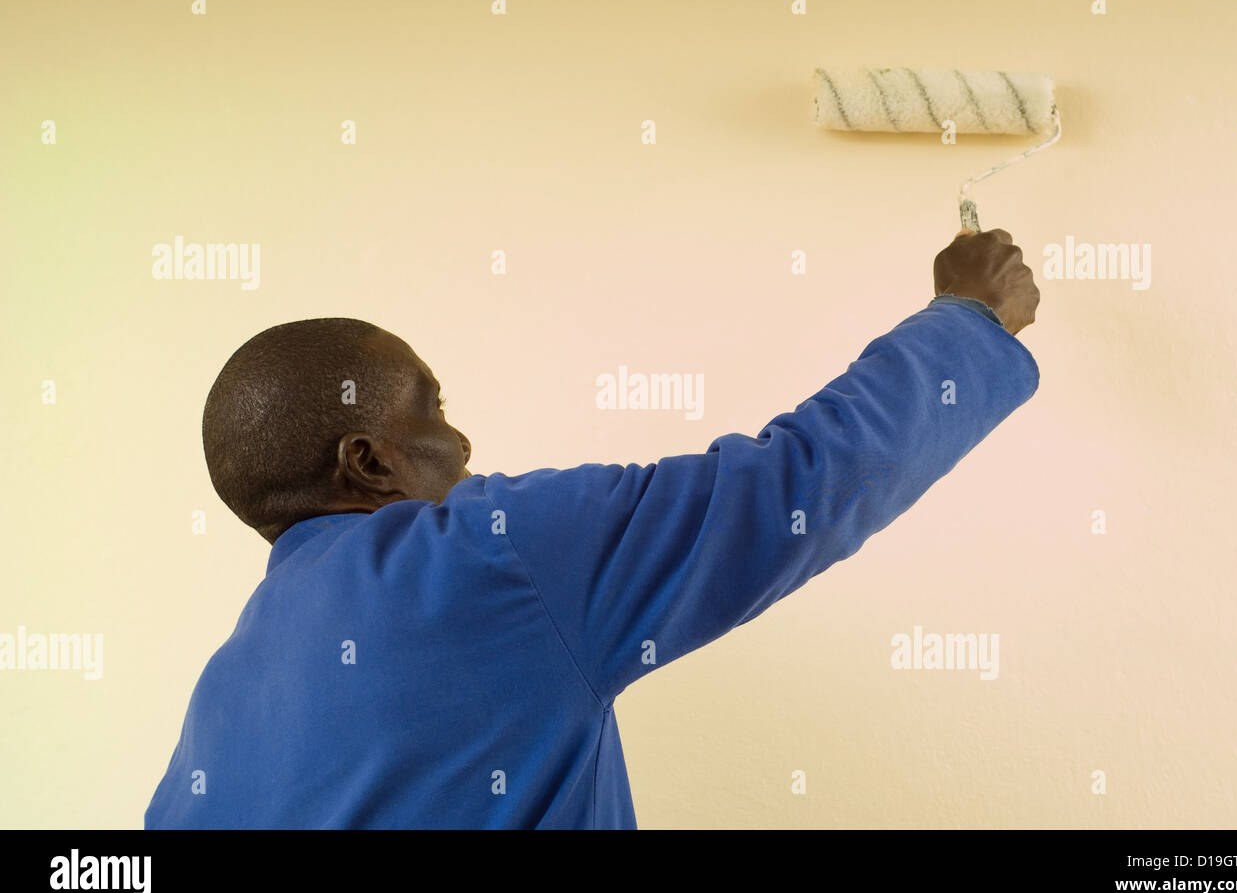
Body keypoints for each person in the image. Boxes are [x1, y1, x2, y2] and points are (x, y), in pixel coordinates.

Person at [145, 228, 1040, 828]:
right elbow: (795, 487)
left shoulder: (214, 713)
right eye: (433, 412)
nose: (461, 441)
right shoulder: (482, 560)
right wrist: (968, 320)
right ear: (369, 462)